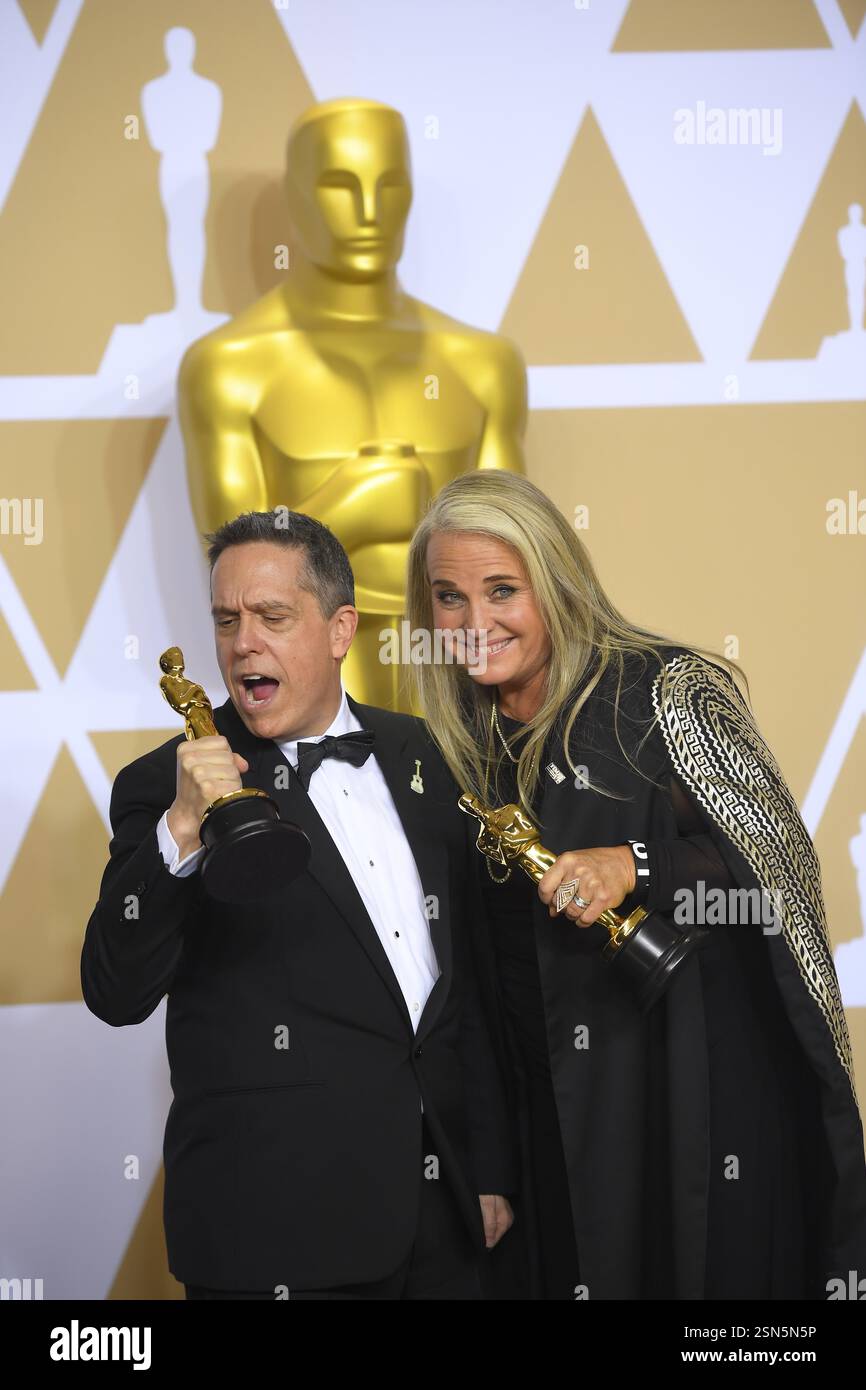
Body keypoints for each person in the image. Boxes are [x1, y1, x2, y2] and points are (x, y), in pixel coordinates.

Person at [404, 470, 866, 1300]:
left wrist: (637, 864)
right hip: (546, 1121)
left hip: (690, 1101)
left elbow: (779, 859)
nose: (475, 624)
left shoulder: (667, 690)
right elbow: (469, 974)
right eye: (448, 598)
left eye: (502, 590)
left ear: (555, 580)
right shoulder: (452, 745)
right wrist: (488, 1158)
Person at [81, 509, 514, 1299]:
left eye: (272, 617)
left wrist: (485, 1168)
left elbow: (465, 991)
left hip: (445, 1223)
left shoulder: (427, 753)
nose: (244, 642)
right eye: (226, 619)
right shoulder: (163, 784)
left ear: (341, 626)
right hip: (274, 1236)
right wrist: (183, 829)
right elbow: (114, 991)